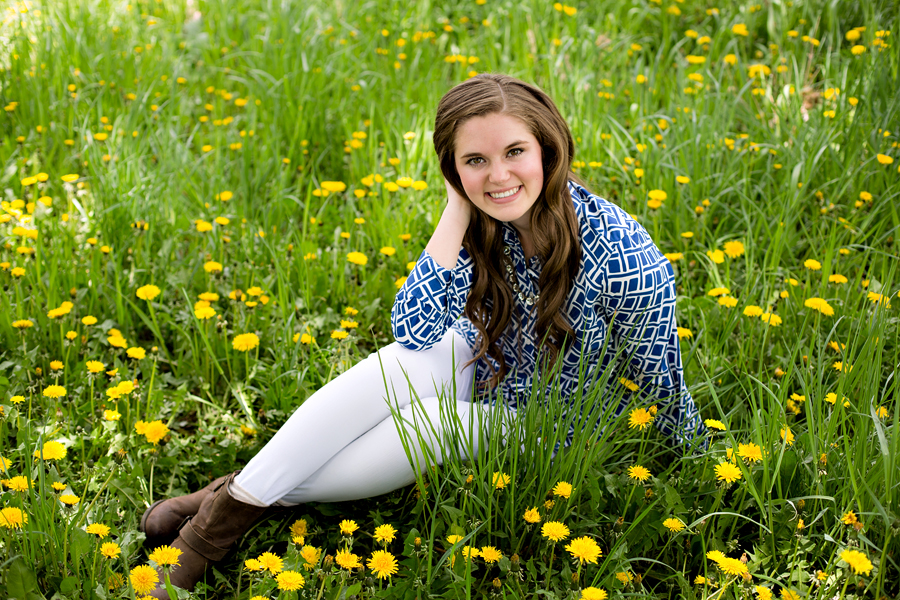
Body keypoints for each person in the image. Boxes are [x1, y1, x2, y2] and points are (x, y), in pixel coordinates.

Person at [139, 73, 705, 596]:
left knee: (429, 423)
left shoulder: (622, 254)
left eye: (514, 152)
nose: (499, 176)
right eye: (475, 161)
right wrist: (457, 209)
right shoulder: (482, 222)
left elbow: (663, 379)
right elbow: (414, 330)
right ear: (453, 170)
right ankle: (230, 508)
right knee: (400, 365)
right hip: (492, 364)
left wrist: (700, 468)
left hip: (556, 421)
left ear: (548, 150)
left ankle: (214, 520)